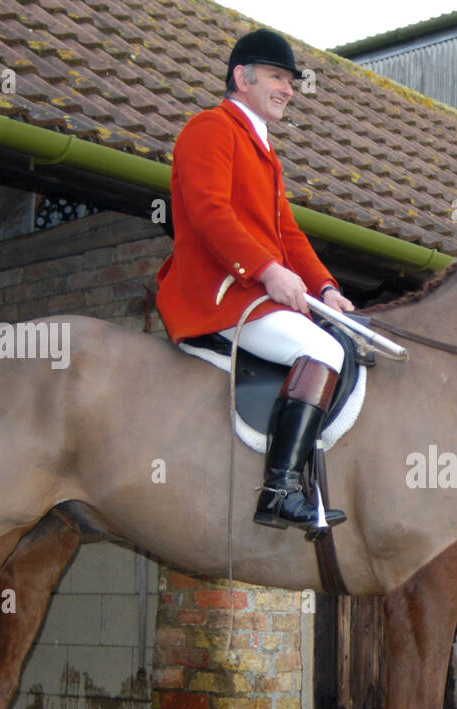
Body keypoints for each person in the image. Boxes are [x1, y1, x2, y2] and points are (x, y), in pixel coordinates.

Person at [156, 28, 354, 532]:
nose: (286, 88)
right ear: (242, 78)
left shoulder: (265, 152)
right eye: (276, 77)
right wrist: (267, 271)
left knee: (340, 338)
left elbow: (287, 232)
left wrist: (325, 287)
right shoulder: (210, 128)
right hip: (219, 295)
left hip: (253, 292)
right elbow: (208, 213)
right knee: (323, 352)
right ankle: (278, 489)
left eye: (289, 80)